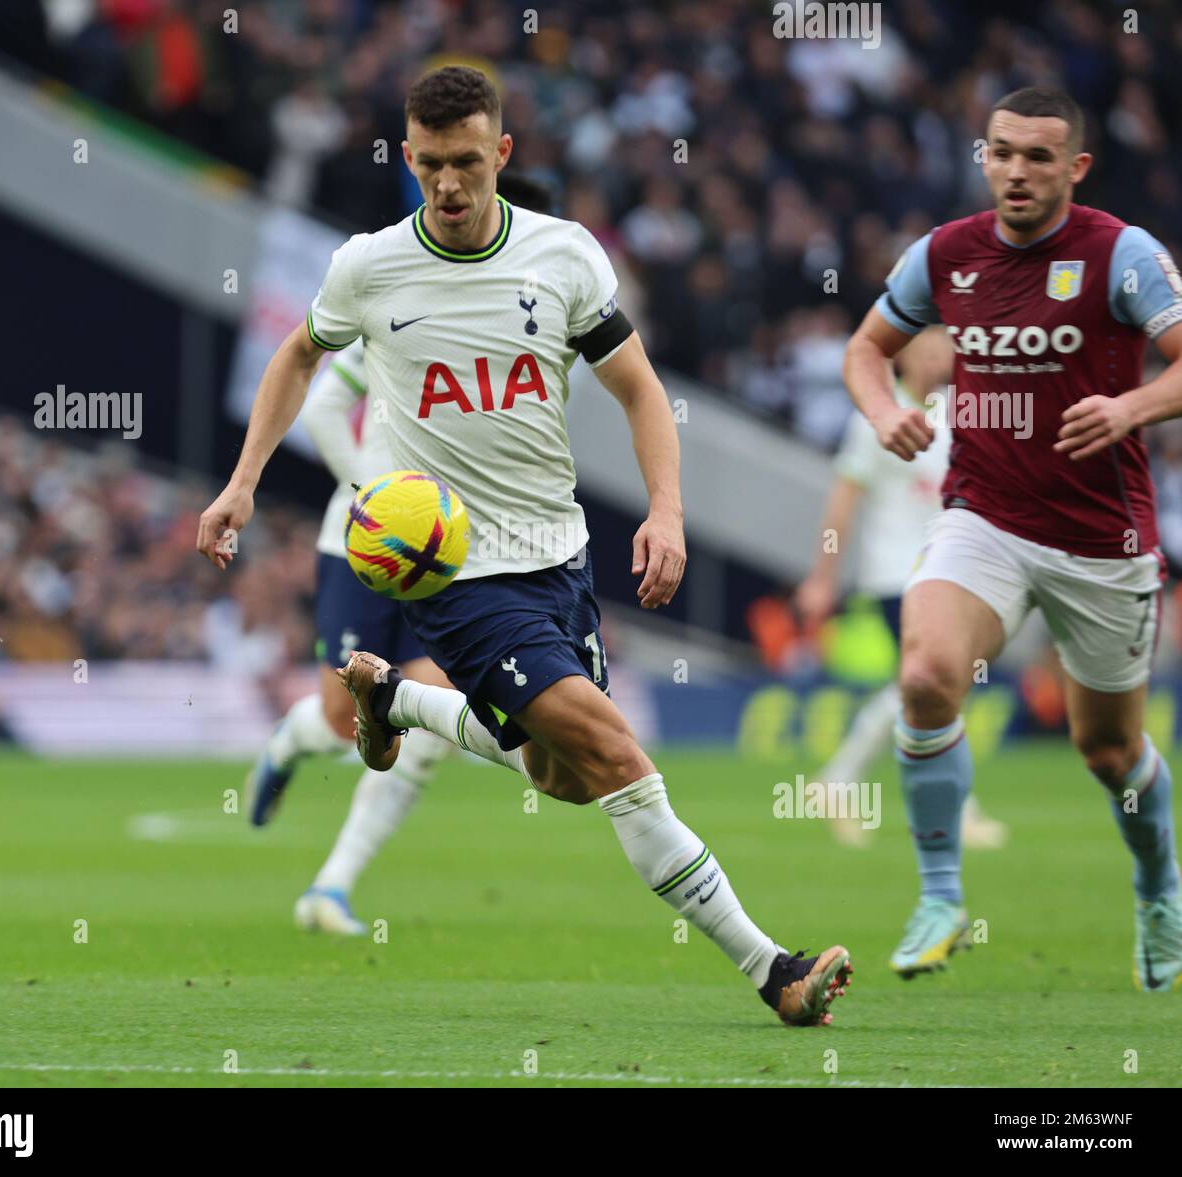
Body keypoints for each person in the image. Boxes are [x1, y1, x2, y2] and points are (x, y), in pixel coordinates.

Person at [200, 65, 853, 1025]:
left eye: (466, 162)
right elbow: (299, 356)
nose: (449, 186)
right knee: (618, 756)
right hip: (456, 574)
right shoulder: (369, 267)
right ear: (408, 157)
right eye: (428, 165)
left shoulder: (566, 257)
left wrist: (665, 511)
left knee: (563, 776)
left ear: (501, 152)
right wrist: (243, 481)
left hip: (561, 559)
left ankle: (401, 701)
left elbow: (639, 388)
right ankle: (773, 969)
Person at [843, 86, 1182, 986]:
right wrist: (883, 413)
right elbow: (865, 350)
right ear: (982, 157)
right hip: (982, 516)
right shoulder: (945, 254)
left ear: (1075, 167)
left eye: (1039, 156)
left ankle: (1157, 884)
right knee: (924, 677)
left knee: (1108, 751)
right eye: (1003, 152)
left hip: (1101, 538)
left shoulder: (1121, 254)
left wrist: (1131, 406)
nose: (1018, 171)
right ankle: (942, 893)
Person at [245, 175, 560, 936]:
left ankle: (332, 886)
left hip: (450, 561)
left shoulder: (529, 325)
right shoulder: (405, 310)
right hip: (364, 544)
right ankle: (290, 739)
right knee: (340, 713)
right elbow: (320, 399)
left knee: (419, 723)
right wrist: (376, 500)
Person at [795, 327, 1008, 850]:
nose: (941, 354)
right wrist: (823, 576)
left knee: (924, 686)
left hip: (947, 570)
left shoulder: (963, 411)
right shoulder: (876, 414)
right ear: (903, 352)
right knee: (936, 682)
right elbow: (842, 500)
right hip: (897, 574)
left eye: (946, 344)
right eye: (929, 343)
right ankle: (959, 808)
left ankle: (836, 782)